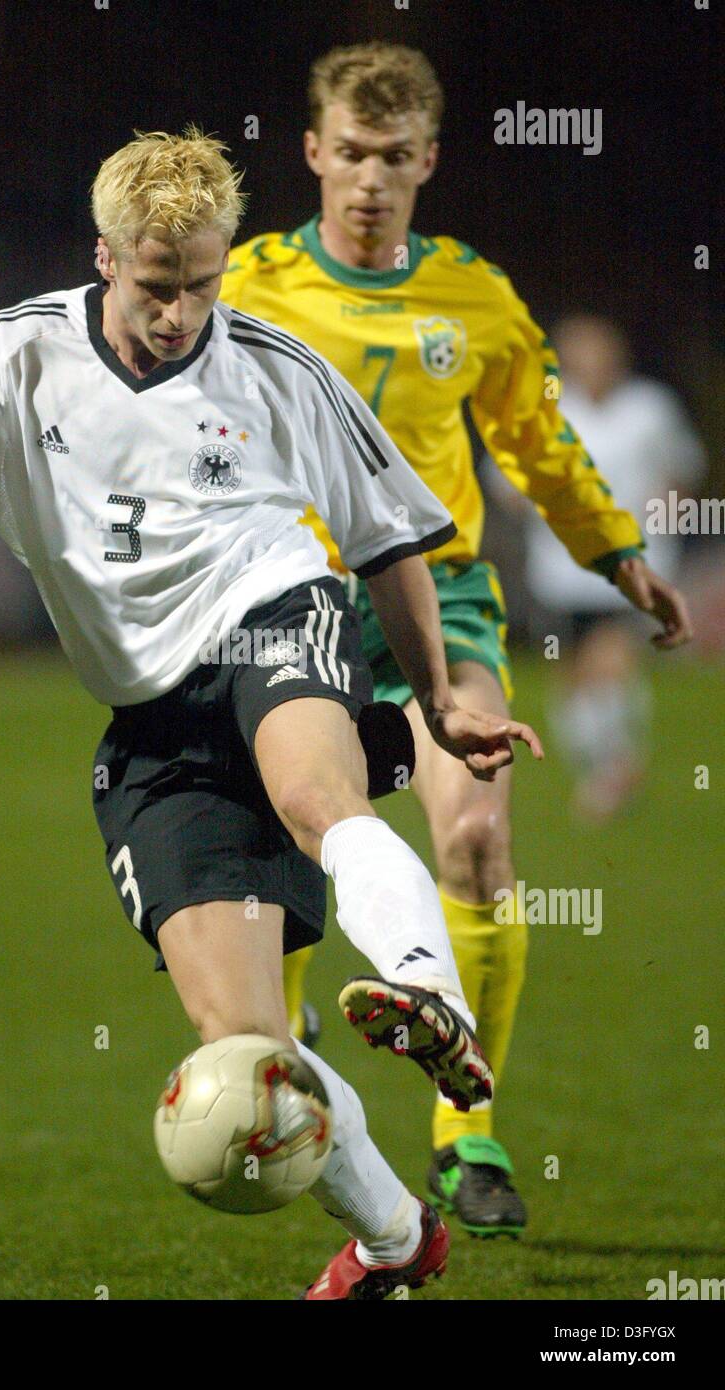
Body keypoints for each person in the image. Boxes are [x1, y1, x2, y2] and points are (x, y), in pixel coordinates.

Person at [0, 128, 543, 1299]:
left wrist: (431, 699)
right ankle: (396, 1243)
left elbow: (386, 544)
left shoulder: (274, 365)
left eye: (201, 284)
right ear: (102, 256)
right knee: (248, 1063)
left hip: (273, 614)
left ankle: (430, 990)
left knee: (318, 791)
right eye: (157, 286)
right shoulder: (10, 358)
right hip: (152, 728)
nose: (179, 312)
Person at [219, 43, 693, 1237]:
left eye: (394, 158)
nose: (369, 179)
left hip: (441, 605)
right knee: (296, 842)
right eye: (350, 154)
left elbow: (539, 440)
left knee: (477, 835)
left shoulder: (472, 295)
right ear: (313, 151)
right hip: (292, 604)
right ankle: (282, 1035)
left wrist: (617, 554)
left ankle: (462, 1133)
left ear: (425, 161)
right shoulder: (248, 285)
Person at [521, 315, 705, 818]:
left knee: (612, 659)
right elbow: (510, 480)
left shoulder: (649, 408)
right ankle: (601, 760)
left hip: (634, 562)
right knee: (571, 678)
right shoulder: (549, 412)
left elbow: (682, 470)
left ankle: (615, 768)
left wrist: (667, 512)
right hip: (560, 569)